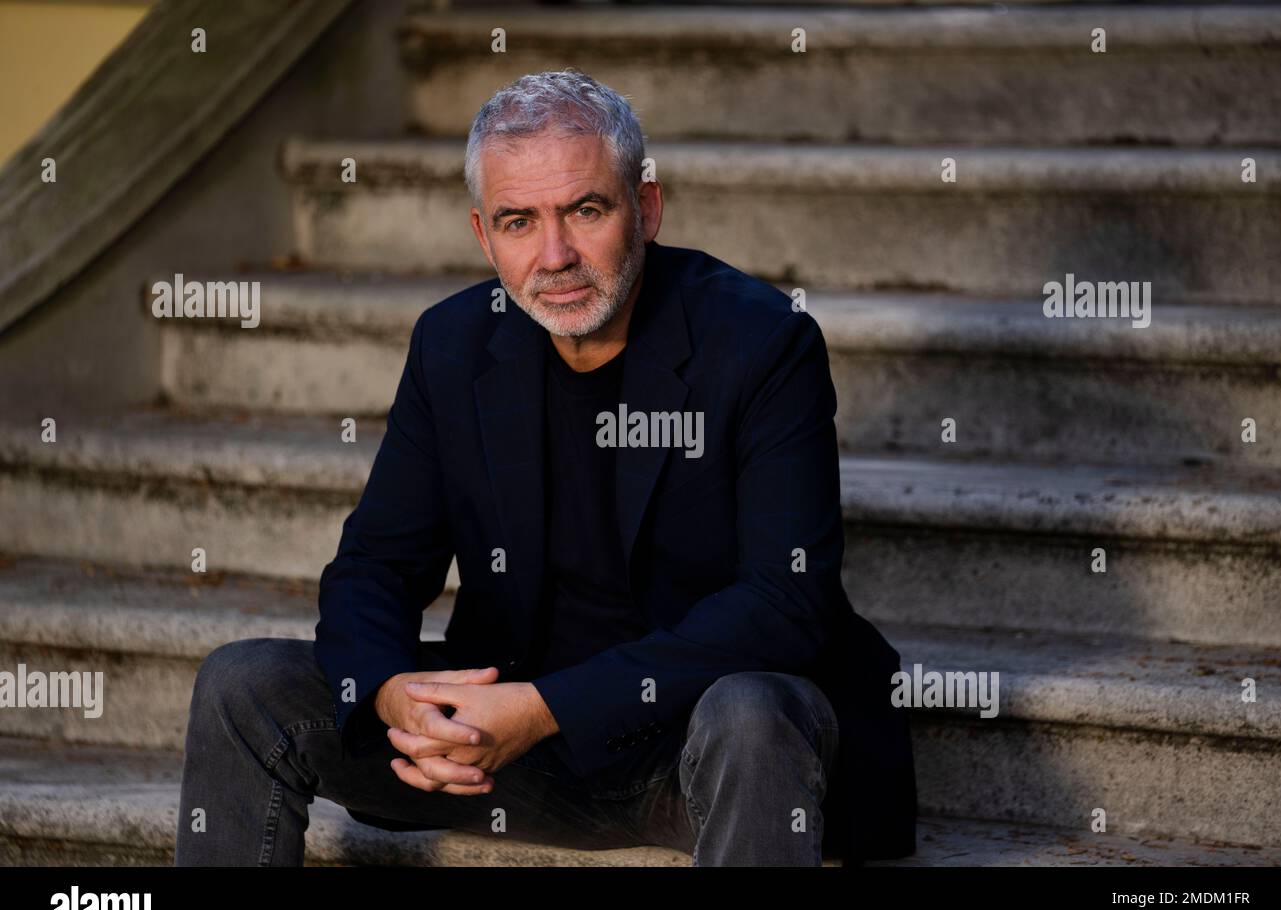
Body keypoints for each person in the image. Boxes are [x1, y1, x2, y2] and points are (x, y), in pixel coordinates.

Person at [175, 69, 915, 867]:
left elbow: (786, 602)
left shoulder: (761, 343)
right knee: (241, 685)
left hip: (700, 753)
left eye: (585, 210)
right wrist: (397, 695)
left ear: (647, 207)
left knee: (753, 711)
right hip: (508, 753)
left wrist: (546, 707)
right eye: (519, 221)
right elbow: (375, 569)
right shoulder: (453, 346)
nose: (554, 255)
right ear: (483, 235)